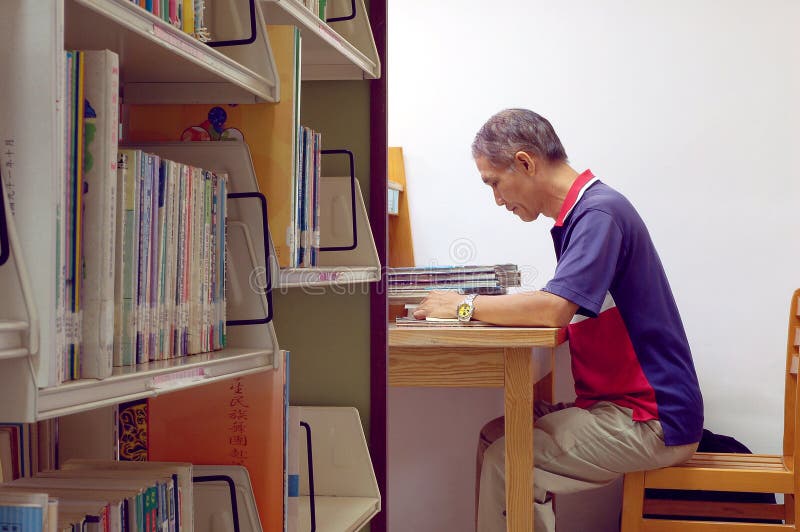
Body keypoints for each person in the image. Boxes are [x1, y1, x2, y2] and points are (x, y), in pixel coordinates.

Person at [412, 109, 704, 532]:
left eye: (494, 182)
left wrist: (464, 305)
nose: (497, 199)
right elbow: (563, 311)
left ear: (526, 163)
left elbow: (553, 309)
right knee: (496, 437)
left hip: (652, 420)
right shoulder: (584, 215)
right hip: (626, 409)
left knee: (507, 459)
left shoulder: (598, 215)